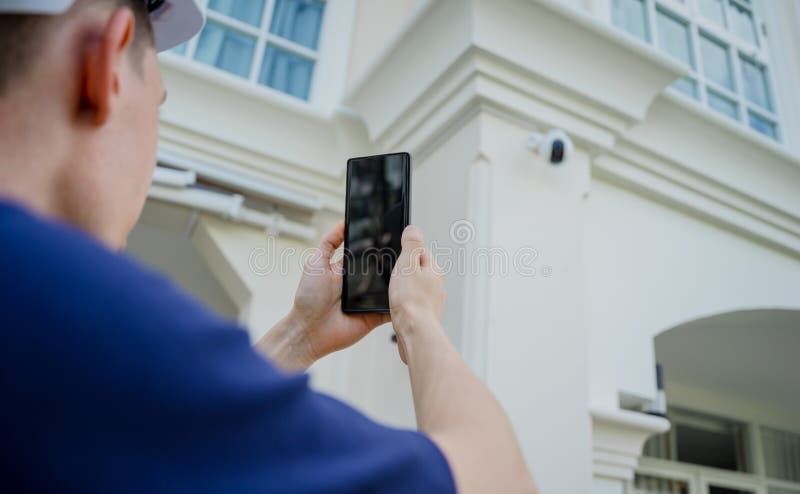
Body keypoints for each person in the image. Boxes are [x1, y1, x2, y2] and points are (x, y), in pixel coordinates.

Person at [0, 1, 537, 492]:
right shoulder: (81, 315)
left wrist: (301, 333)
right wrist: (417, 318)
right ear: (108, 64)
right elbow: (497, 479)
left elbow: (186, 436)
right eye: (158, 104)